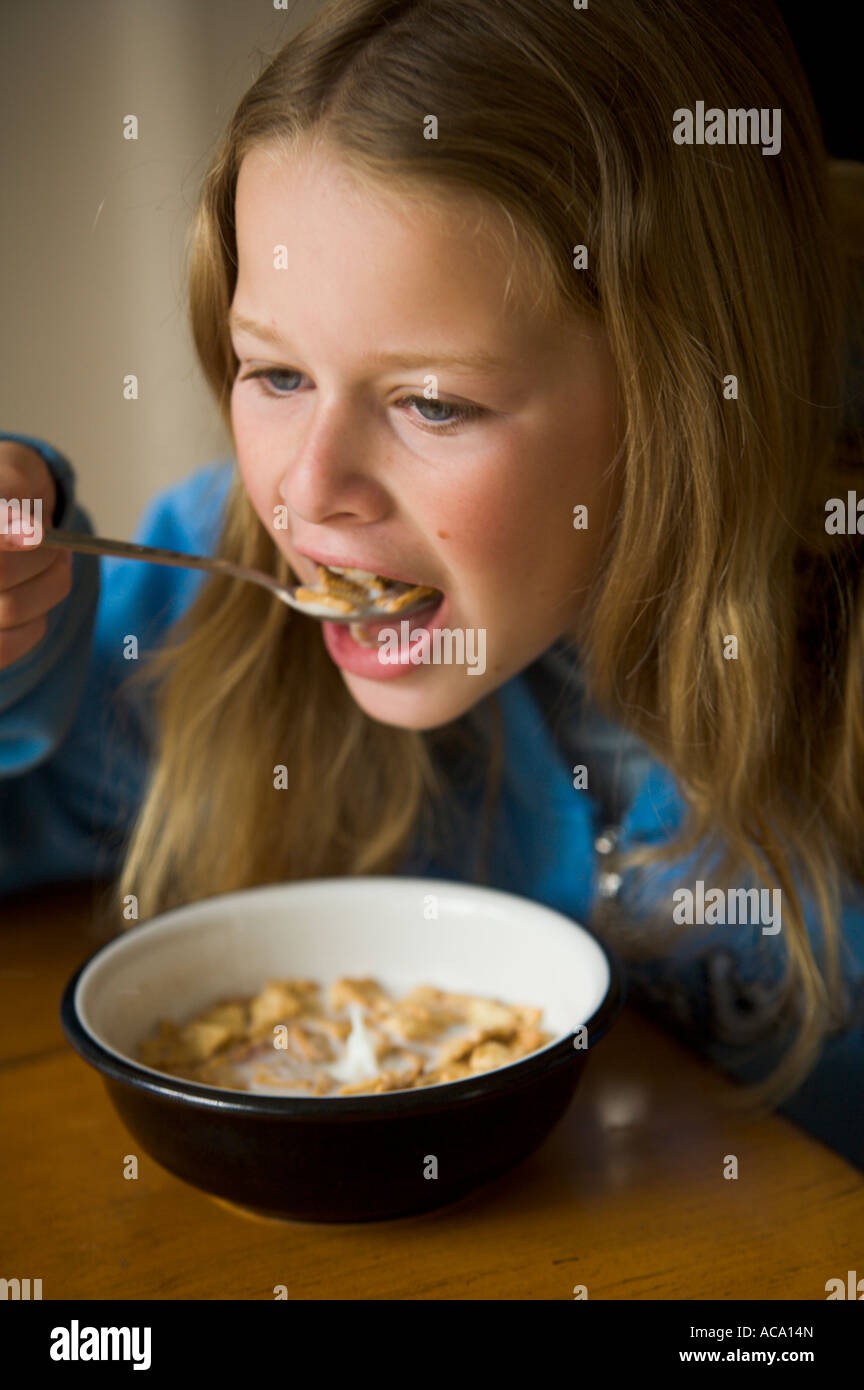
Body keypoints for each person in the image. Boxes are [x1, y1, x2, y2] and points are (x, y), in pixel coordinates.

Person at [1, 0, 863, 1167]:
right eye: (277, 373)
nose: (307, 491)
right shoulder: (215, 595)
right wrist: (25, 646)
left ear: (686, 400)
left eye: (434, 402)